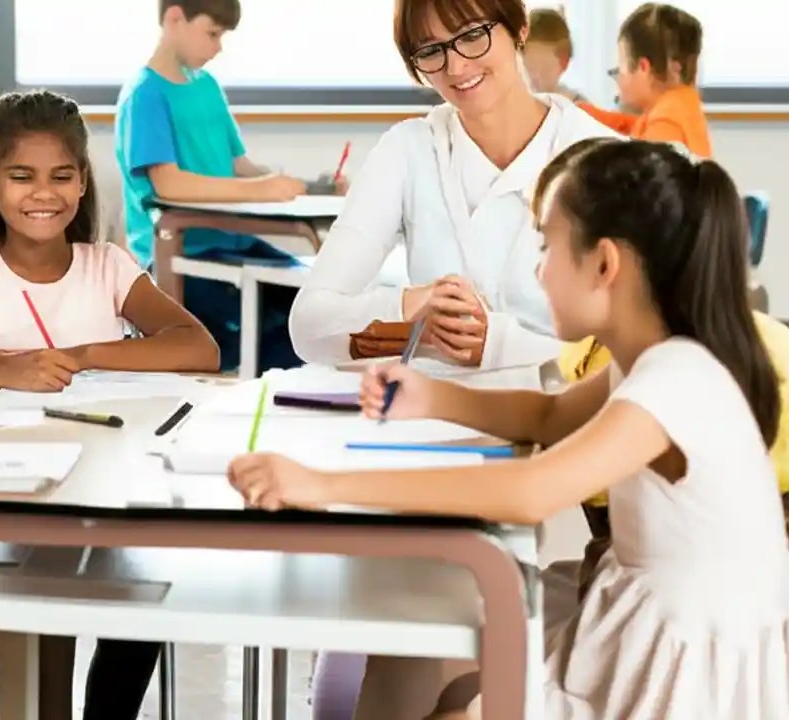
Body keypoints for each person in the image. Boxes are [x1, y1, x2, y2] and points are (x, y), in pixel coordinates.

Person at [230, 138, 789, 719]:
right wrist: (431, 396)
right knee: (451, 677)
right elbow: (549, 417)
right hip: (652, 624)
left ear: (604, 265)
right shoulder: (653, 356)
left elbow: (531, 492)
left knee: (457, 692)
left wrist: (322, 484)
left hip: (683, 674)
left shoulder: (678, 376)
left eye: (546, 245)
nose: (539, 269)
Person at [0, 89, 217, 719]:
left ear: (84, 183)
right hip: (8, 500)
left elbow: (197, 348)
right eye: (22, 176)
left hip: (103, 488)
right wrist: (4, 368)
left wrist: (85, 354)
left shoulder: (107, 265)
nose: (44, 193)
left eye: (62, 176)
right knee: (42, 630)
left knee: (144, 593)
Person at [289, 0, 618, 372]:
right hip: (429, 417)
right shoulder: (409, 149)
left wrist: (499, 346)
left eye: (473, 35)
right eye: (431, 51)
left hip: (571, 420)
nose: (456, 67)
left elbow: (643, 350)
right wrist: (414, 304)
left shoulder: (603, 159)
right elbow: (308, 326)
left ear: (519, 27)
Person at [114, 0, 314, 375]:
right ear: (175, 18)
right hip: (179, 255)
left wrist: (296, 185)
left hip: (231, 245)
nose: (218, 47)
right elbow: (168, 184)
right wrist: (261, 190)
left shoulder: (206, 87)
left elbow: (240, 167)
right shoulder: (145, 95)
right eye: (212, 33)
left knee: (314, 304)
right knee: (250, 338)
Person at [579, 3, 710, 158]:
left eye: (620, 69)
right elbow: (631, 124)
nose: (618, 80)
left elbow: (648, 178)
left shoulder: (665, 124)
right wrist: (581, 112)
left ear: (643, 68)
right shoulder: (681, 106)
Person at [522, 7, 586, 101]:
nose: (534, 76)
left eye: (544, 66)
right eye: (529, 67)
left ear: (564, 64)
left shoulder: (579, 109)